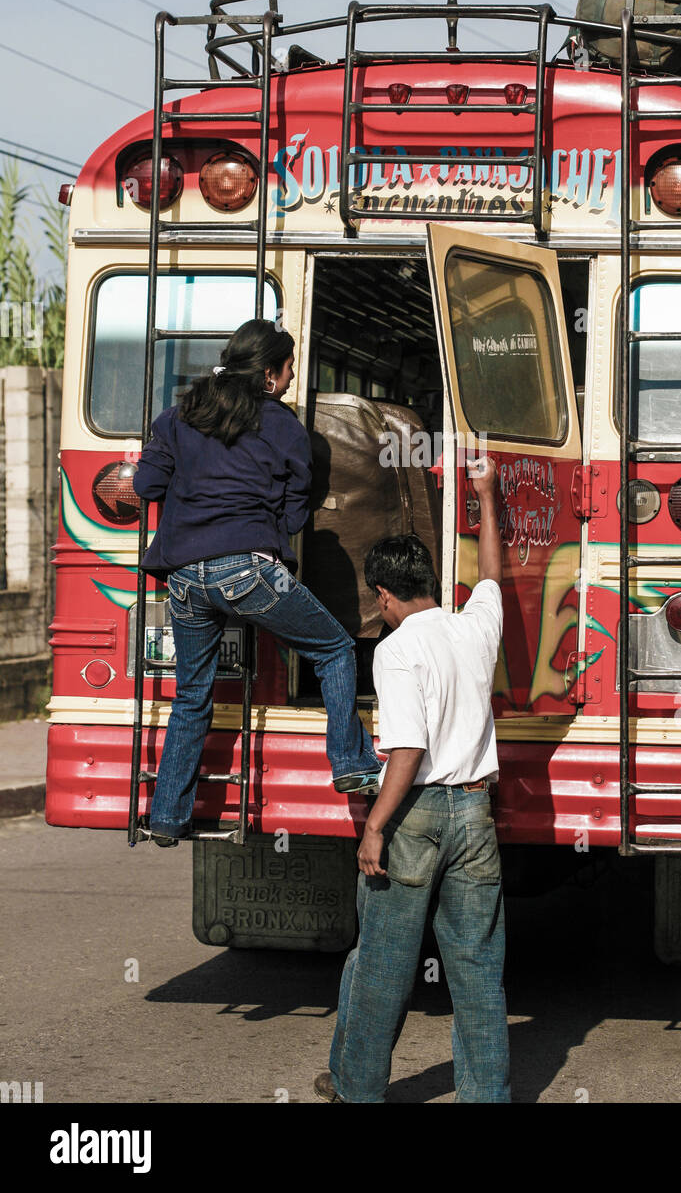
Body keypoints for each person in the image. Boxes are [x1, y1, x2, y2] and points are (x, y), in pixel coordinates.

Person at [131, 318, 382, 845]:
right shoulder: (286, 426)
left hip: (182, 578)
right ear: (269, 373)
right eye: (288, 369)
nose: (291, 380)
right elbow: (294, 514)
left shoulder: (178, 416)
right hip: (246, 570)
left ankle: (167, 816)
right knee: (335, 649)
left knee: (192, 694)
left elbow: (147, 484)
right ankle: (352, 765)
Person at [317, 455, 510, 1103]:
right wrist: (485, 499)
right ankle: (486, 1096)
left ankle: (358, 1087)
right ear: (430, 581)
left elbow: (405, 750)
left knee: (385, 962)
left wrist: (374, 828)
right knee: (479, 967)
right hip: (476, 813)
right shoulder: (475, 628)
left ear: (386, 596)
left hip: (417, 816)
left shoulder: (398, 650)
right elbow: (491, 574)